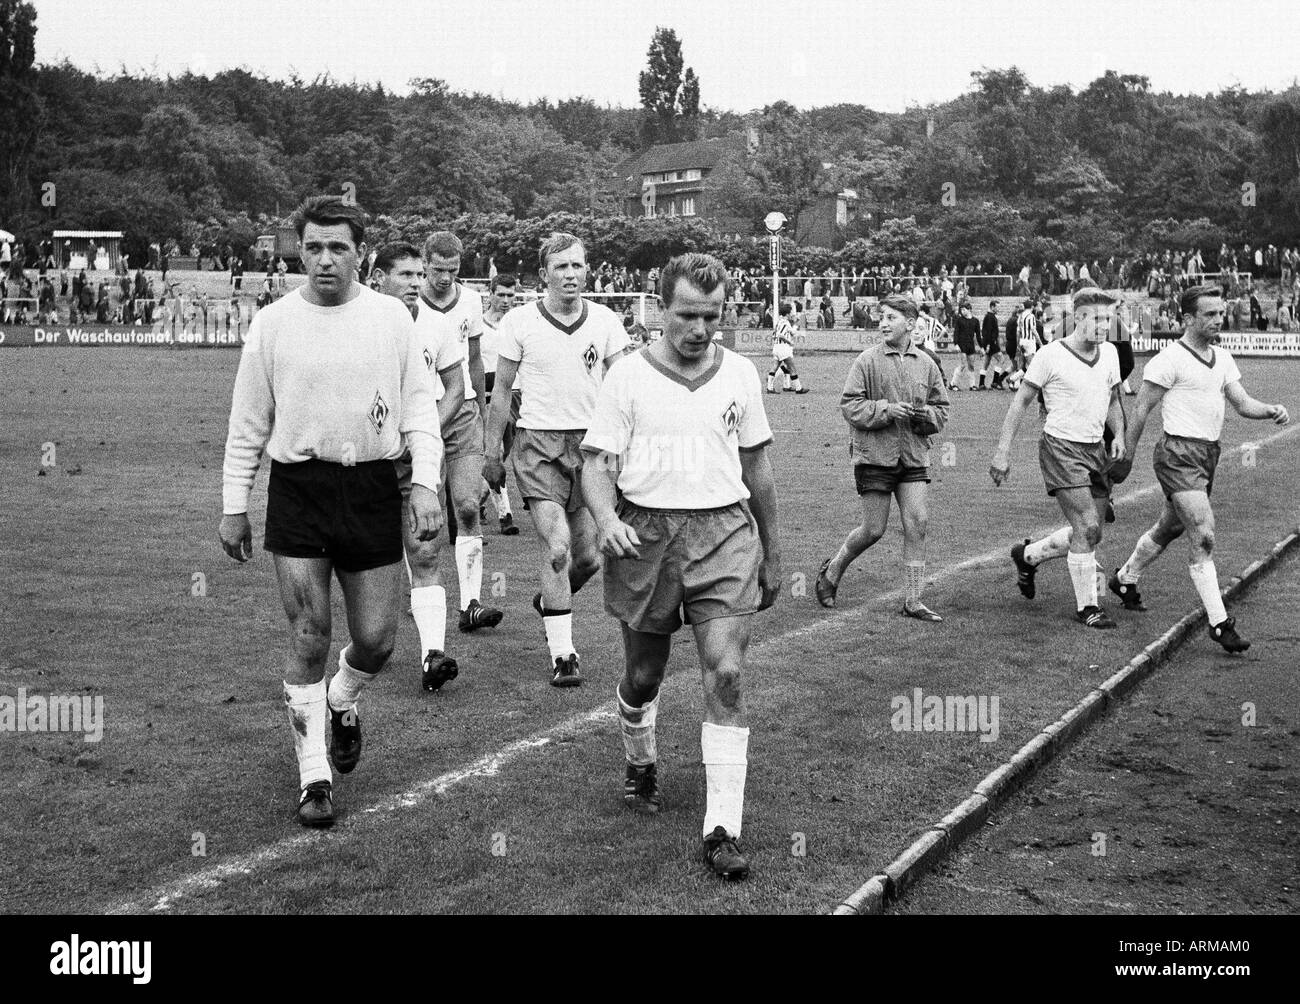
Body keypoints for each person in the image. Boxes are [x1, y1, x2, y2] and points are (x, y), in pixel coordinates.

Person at [219, 196, 444, 828]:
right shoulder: (272, 324)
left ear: (360, 254)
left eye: (337, 247)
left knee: (376, 641)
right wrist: (235, 506)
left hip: (372, 486)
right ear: (298, 250)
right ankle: (313, 776)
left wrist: (424, 484)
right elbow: (247, 425)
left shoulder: (392, 320)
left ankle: (343, 698)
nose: (324, 259)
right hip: (299, 488)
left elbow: (421, 410)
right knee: (308, 632)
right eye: (313, 246)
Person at [580, 252, 782, 880]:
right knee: (644, 673)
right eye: (688, 315)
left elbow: (758, 469)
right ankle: (641, 761)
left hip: (724, 532)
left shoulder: (743, 374)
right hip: (646, 535)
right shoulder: (627, 376)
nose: (700, 329)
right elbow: (595, 464)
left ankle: (722, 827)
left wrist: (773, 550)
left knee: (725, 673)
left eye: (712, 316)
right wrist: (607, 519)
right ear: (660, 308)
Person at [483, 232, 631, 687]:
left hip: (590, 449)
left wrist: (627, 446)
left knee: (588, 558)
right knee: (558, 547)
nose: (571, 274)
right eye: (561, 267)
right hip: (537, 445)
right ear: (543, 274)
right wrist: (493, 451)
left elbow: (624, 385)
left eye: (577, 266)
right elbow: (502, 391)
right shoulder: (519, 323)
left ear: (588, 270)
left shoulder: (606, 321)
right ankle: (564, 654)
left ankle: (552, 601)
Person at [1112, 285, 1290, 652]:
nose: (1218, 320)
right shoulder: (1169, 360)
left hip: (1208, 455)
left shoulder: (1222, 358)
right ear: (1188, 319)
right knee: (1204, 533)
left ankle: (1125, 578)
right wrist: (1127, 456)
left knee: (1171, 526)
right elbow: (1142, 409)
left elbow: (1241, 403)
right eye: (1209, 314)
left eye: (1220, 313)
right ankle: (1220, 624)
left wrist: (1269, 409)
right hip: (1177, 455)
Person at [990, 288, 1126, 629]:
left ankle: (1028, 556)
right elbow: (1020, 403)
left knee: (1092, 534)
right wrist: (1002, 452)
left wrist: (1119, 435)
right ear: (1077, 318)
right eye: (1097, 318)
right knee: (1087, 525)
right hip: (1061, 449)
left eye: (1107, 319)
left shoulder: (1109, 353)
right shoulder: (1050, 355)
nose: (1103, 325)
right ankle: (1088, 608)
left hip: (1095, 449)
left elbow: (1112, 400)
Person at [370, 241, 470, 692]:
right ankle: (363, 644)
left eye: (417, 275)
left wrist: (424, 431)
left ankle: (432, 654)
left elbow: (454, 386)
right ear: (379, 278)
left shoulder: (437, 325)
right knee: (371, 563)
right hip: (368, 462)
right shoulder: (360, 324)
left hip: (419, 459)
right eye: (405, 275)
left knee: (426, 551)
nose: (415, 283)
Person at [815, 294, 951, 619]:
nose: (883, 323)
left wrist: (923, 416)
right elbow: (850, 405)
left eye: (890, 317)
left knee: (917, 524)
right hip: (874, 456)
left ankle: (913, 601)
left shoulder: (927, 363)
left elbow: (942, 410)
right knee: (873, 529)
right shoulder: (866, 361)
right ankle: (833, 569)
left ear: (910, 323)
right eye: (882, 317)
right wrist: (887, 410)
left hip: (913, 457)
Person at [417, 232, 505, 636]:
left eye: (453, 270)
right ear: (424, 263)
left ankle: (471, 603)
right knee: (423, 515)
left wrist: (487, 426)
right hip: (422, 414)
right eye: (437, 270)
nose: (445, 278)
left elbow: (473, 362)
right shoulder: (405, 303)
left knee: (468, 505)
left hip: (464, 411)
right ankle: (421, 590)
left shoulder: (469, 301)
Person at [480, 272, 522, 536]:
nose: (506, 300)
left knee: (505, 454)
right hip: (488, 397)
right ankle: (505, 515)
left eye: (511, 296)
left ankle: (478, 499)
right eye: (501, 294)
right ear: (491, 293)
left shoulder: (517, 325)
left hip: (515, 395)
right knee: (492, 452)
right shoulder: (478, 326)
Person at [765, 302, 809, 394]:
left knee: (775, 367)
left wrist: (796, 325)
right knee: (792, 367)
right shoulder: (785, 322)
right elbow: (780, 335)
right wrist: (789, 342)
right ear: (787, 314)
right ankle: (799, 388)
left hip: (776, 347)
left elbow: (789, 332)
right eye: (790, 313)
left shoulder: (779, 322)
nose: (791, 315)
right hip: (783, 348)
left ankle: (770, 387)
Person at [950, 301, 980, 390]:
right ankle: (953, 384)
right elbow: (956, 333)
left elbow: (978, 335)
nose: (962, 312)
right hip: (961, 345)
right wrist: (956, 344)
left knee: (971, 365)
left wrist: (982, 347)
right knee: (962, 365)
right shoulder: (959, 320)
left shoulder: (975, 321)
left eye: (964, 310)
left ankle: (972, 385)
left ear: (969, 310)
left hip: (970, 346)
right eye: (961, 310)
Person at [979, 300, 1003, 388]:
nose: (998, 309)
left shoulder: (990, 316)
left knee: (986, 362)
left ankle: (981, 383)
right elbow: (988, 332)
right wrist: (988, 344)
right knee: (1001, 359)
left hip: (989, 342)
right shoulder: (990, 317)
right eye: (997, 307)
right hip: (991, 343)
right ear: (992, 307)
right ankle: (995, 382)